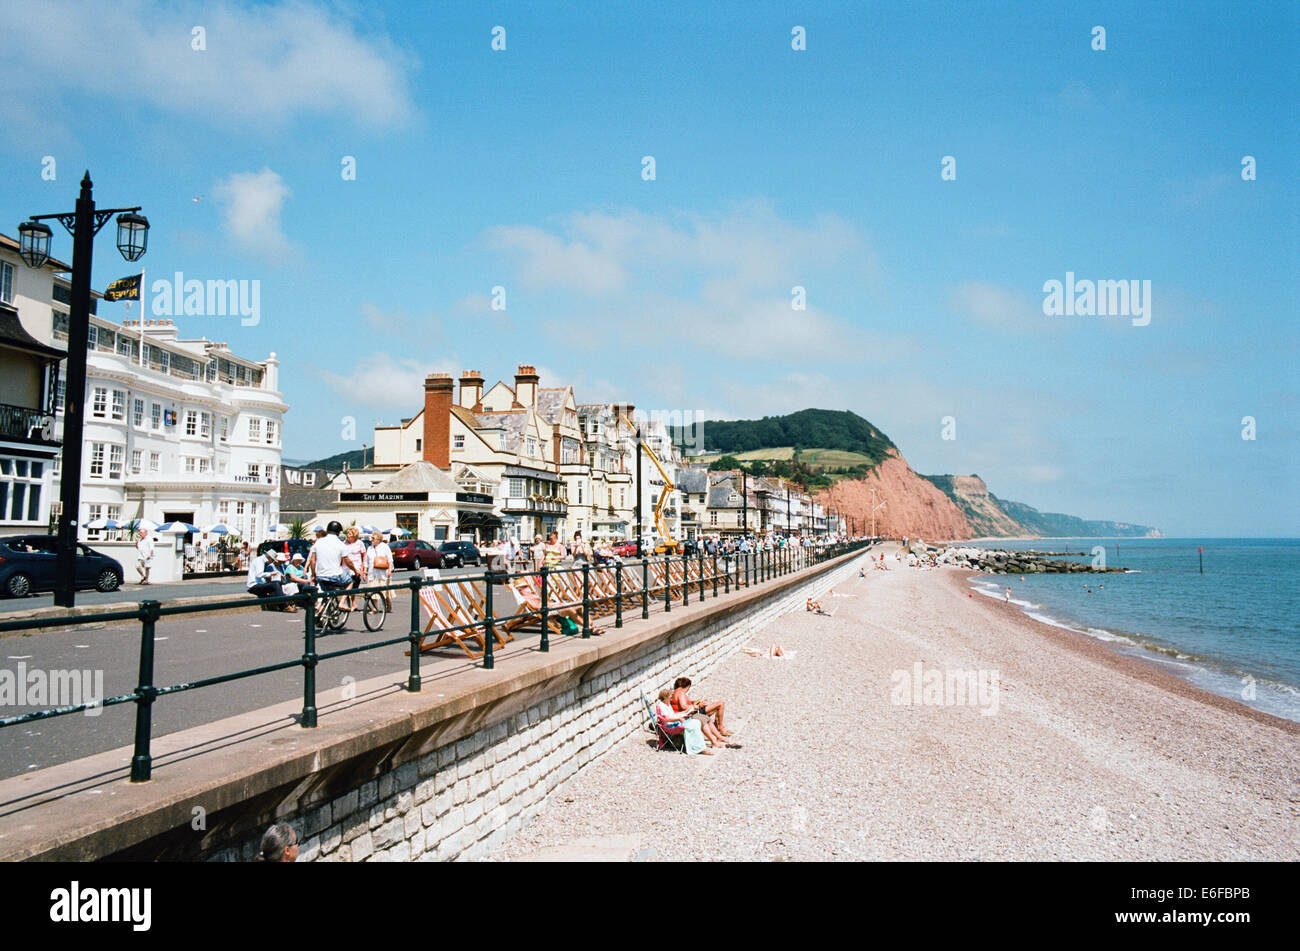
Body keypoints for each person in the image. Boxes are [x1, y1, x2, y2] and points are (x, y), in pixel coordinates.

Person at [306, 521, 358, 596]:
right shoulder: (340, 544)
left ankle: (322, 607)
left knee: (328, 595)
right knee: (350, 582)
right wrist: (355, 570)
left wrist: (314, 575)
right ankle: (342, 602)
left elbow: (312, 560)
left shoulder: (318, 542)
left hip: (320, 576)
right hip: (334, 576)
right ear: (338, 532)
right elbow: (348, 561)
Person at [670, 676, 730, 741]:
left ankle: (717, 727)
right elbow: (683, 706)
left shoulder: (676, 692)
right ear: (687, 686)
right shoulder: (681, 693)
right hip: (690, 714)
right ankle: (720, 728)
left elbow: (682, 703)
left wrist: (694, 702)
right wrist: (698, 706)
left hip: (686, 713)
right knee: (720, 704)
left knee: (716, 708)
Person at [654, 688, 711, 755]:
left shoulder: (668, 704)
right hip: (671, 725)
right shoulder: (662, 706)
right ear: (665, 698)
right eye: (670, 697)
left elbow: (673, 715)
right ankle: (698, 748)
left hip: (675, 722)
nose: (671, 699)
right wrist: (678, 719)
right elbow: (666, 719)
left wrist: (684, 712)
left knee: (697, 722)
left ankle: (698, 745)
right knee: (693, 726)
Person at [366, 530, 394, 609]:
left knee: (384, 592)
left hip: (382, 573)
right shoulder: (369, 548)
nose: (371, 540)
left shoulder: (384, 547)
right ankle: (375, 608)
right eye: (371, 538)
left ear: (378, 539)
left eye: (373, 538)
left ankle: (388, 605)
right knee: (373, 592)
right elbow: (366, 561)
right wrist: (365, 571)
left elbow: (390, 559)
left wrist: (389, 570)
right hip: (372, 573)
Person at [342, 526, 367, 609]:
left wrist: (363, 567)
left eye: (349, 534)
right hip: (346, 567)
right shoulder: (344, 543)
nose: (348, 536)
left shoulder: (359, 543)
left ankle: (353, 603)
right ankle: (345, 602)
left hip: (356, 566)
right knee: (346, 585)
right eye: (347, 534)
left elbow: (364, 555)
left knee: (354, 585)